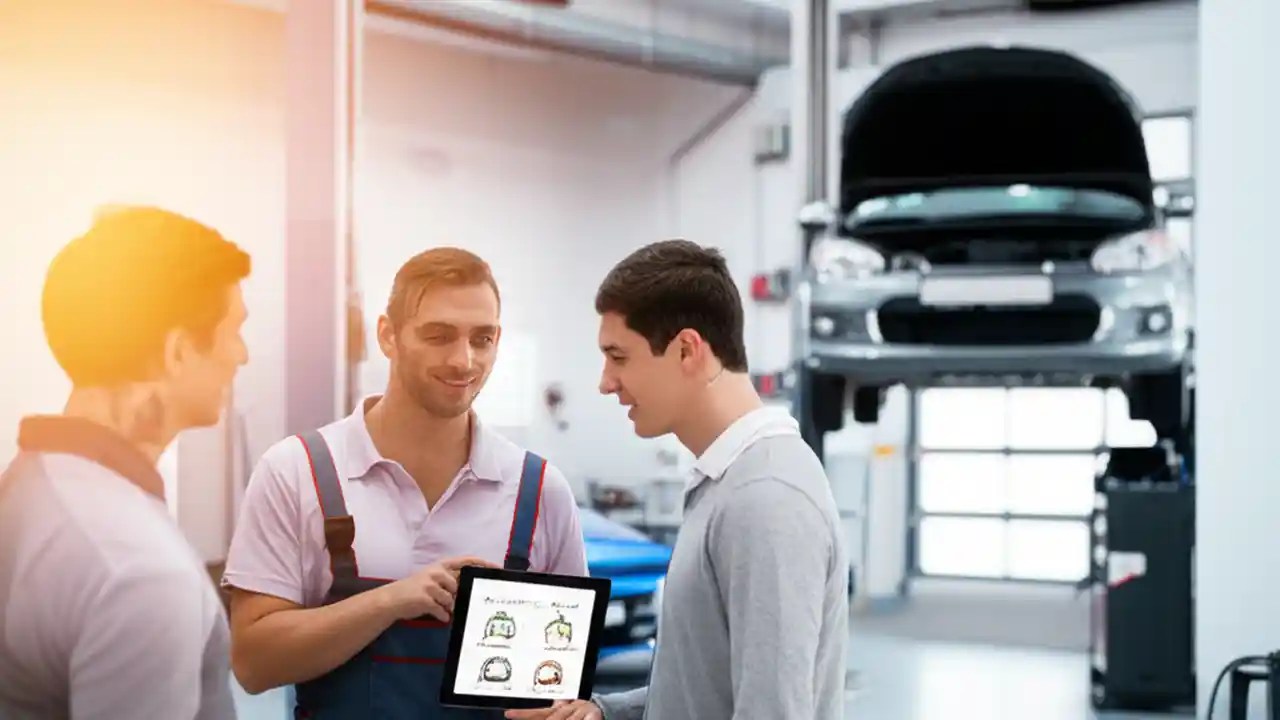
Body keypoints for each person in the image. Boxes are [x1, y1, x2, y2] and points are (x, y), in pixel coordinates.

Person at [222, 246, 588, 718]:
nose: (463, 360)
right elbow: (253, 664)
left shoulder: (538, 492)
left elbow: (563, 688)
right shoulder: (296, 473)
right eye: (438, 336)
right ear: (387, 335)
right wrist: (393, 600)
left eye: (482, 339)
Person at [508, 239, 849, 720]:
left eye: (619, 357)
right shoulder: (728, 480)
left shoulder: (766, 498)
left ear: (687, 350)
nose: (605, 382)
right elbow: (704, 685)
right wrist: (606, 712)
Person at [0, 206, 252, 719]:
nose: (241, 355)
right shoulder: (141, 570)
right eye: (234, 330)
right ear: (178, 351)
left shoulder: (32, 483)